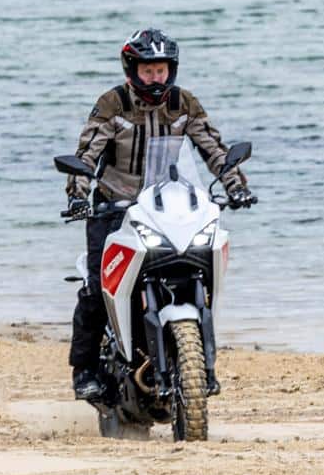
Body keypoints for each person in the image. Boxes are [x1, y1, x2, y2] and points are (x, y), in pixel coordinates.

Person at [64, 28, 255, 401]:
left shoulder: (185, 104)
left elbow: (214, 149)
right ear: (132, 69)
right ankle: (84, 369)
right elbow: (86, 155)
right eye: (148, 71)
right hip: (114, 207)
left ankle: (199, 363)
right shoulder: (112, 104)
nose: (155, 78)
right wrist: (78, 196)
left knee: (200, 266)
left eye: (161, 70)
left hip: (167, 205)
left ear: (172, 70)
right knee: (96, 287)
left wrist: (236, 186)